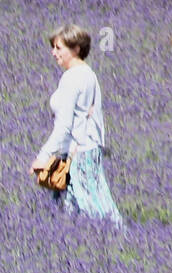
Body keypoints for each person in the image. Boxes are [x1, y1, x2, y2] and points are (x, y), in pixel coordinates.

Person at [31, 24, 124, 226]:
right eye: (53, 47)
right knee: (71, 207)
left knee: (92, 205)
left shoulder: (72, 78)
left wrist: (43, 156)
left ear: (76, 49)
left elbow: (64, 126)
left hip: (79, 151)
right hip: (87, 148)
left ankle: (115, 239)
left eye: (58, 48)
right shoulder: (88, 74)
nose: (53, 53)